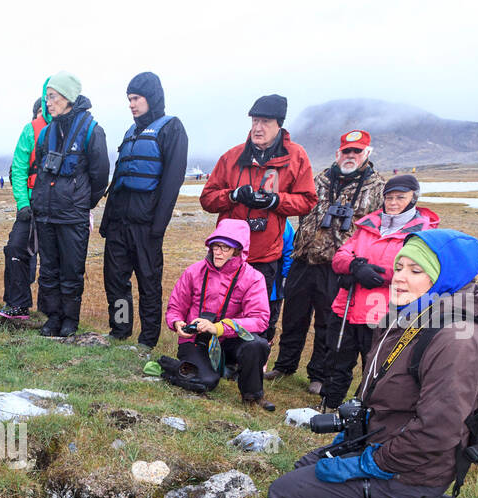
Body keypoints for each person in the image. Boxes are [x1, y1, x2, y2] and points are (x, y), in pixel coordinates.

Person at [267, 229, 478, 498]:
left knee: (283, 494)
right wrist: (354, 437)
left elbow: (437, 432)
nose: (400, 278)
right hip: (379, 441)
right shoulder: (410, 317)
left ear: (447, 277)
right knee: (305, 467)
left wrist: (371, 464)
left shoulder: (458, 341)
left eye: (417, 272)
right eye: (399, 267)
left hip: (413, 470)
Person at [268, 129, 383, 396]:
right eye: (346, 151)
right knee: (293, 316)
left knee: (327, 323)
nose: (351, 156)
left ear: (367, 153)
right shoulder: (318, 179)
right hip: (303, 258)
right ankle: (284, 366)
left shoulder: (377, 187)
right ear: (337, 153)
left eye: (357, 151)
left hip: (337, 266)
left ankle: (318, 374)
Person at [200, 94, 316, 339]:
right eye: (254, 121)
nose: (257, 128)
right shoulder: (232, 157)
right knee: (222, 307)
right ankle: (219, 359)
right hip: (227, 253)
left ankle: (253, 360)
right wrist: (233, 196)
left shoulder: (296, 156)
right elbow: (207, 199)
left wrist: (277, 201)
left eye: (264, 121)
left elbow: (308, 201)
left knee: (258, 312)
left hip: (265, 255)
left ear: (279, 125)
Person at [326, 175, 438, 410]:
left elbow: (416, 269)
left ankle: (365, 409)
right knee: (338, 358)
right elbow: (340, 257)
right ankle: (329, 403)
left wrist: (375, 272)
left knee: (376, 363)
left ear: (413, 198)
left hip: (385, 311)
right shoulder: (367, 225)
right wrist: (356, 267)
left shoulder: (423, 232)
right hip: (349, 304)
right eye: (389, 197)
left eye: (400, 197)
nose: (393, 203)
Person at [101, 72, 188, 351]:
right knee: (116, 280)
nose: (132, 104)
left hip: (146, 225)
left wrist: (157, 227)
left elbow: (172, 181)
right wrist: (107, 221)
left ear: (151, 98)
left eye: (136, 98)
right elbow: (118, 179)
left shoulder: (171, 129)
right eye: (129, 99)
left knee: (149, 284)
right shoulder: (130, 132)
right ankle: (121, 329)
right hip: (119, 223)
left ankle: (148, 338)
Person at [162, 219, 274, 410]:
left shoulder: (254, 278)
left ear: (238, 251)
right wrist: (177, 323)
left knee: (258, 345)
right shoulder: (193, 271)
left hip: (229, 339)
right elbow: (175, 307)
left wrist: (220, 328)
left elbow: (260, 319)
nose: (218, 252)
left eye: (225, 248)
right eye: (215, 246)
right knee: (207, 382)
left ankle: (252, 396)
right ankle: (171, 367)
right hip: (195, 339)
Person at [30, 71, 108, 337]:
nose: (47, 103)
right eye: (46, 97)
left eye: (52, 97)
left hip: (72, 216)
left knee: (72, 271)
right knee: (49, 268)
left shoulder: (92, 131)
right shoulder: (46, 133)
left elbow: (100, 176)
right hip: (46, 214)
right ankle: (53, 317)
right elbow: (41, 169)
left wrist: (82, 202)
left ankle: (70, 320)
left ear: (68, 97)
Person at [0, 94, 48, 322]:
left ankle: (48, 311)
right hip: (29, 206)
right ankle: (16, 303)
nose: (44, 114)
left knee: (49, 260)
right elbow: (16, 170)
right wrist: (23, 203)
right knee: (16, 250)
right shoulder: (30, 132)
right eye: (40, 111)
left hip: (53, 207)